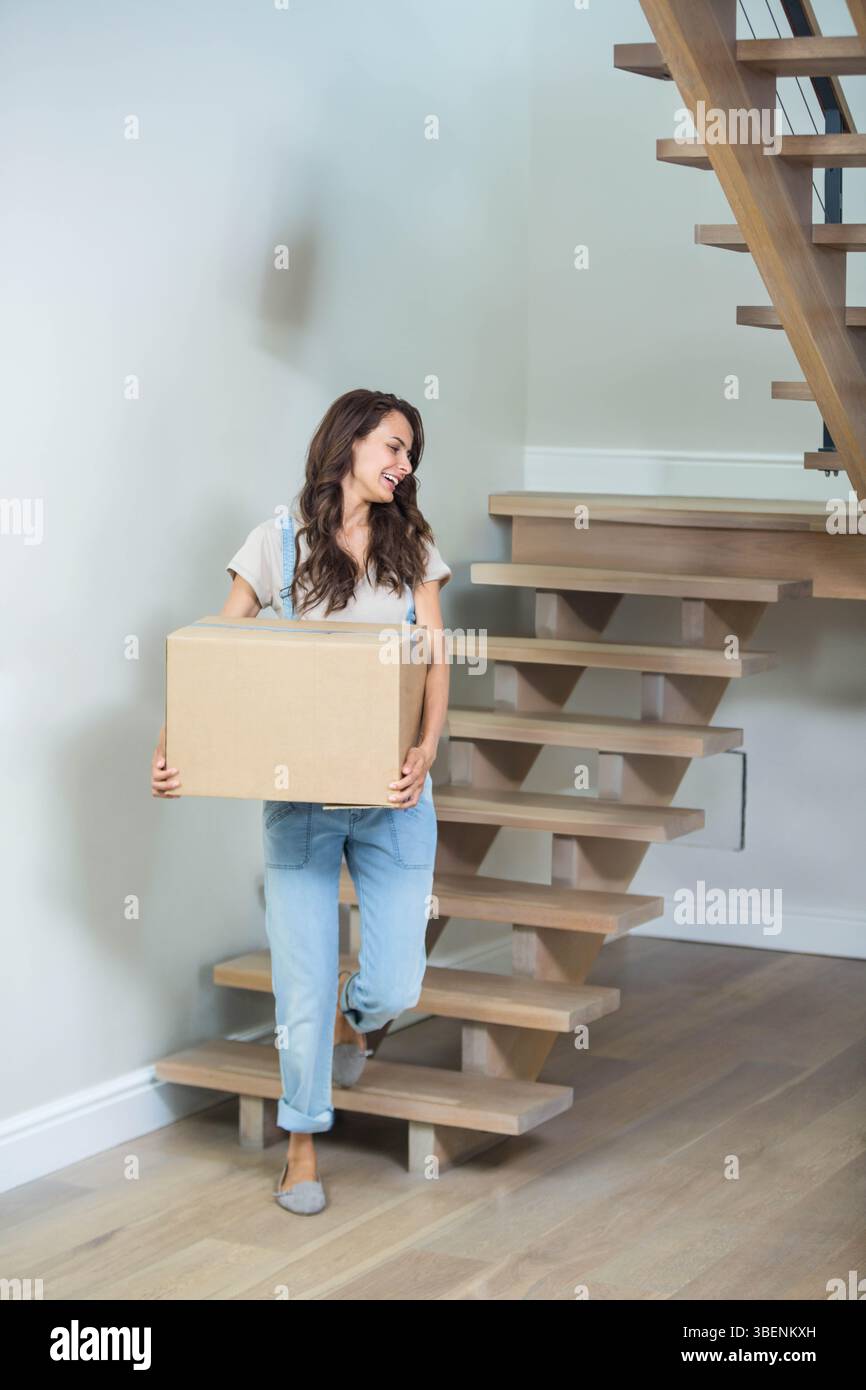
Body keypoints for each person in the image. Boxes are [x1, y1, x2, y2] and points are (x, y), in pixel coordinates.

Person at [151, 389, 451, 1215]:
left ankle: (361, 1027)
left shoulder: (413, 542)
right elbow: (220, 649)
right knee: (304, 982)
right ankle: (303, 1146)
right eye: (393, 446)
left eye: (411, 453)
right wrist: (176, 741)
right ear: (350, 442)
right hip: (303, 804)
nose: (405, 465)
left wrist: (425, 750)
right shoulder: (277, 540)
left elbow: (435, 658)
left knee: (393, 982)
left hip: (395, 794)